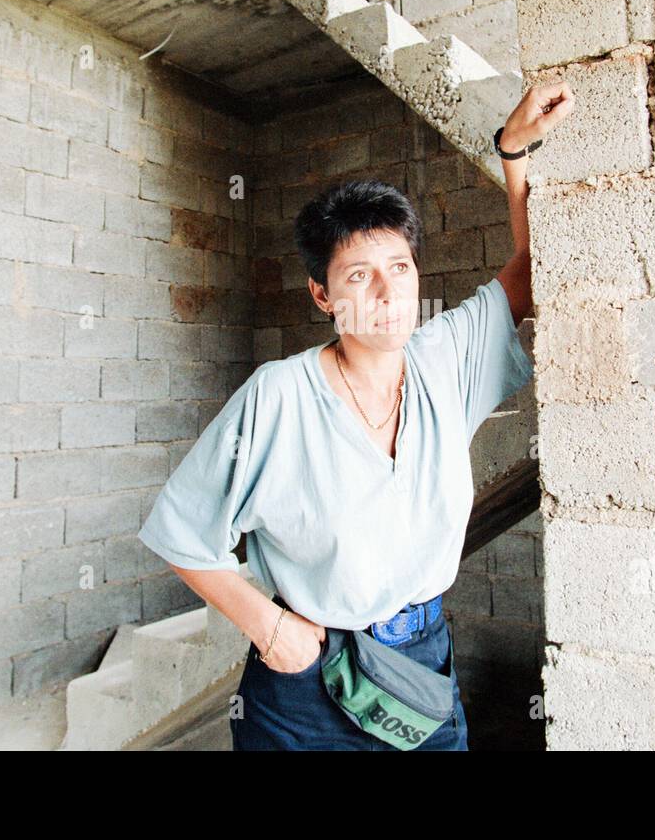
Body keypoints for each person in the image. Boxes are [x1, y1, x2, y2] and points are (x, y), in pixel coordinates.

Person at [137, 83, 575, 749]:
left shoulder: (445, 359)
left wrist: (514, 150)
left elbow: (533, 268)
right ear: (322, 294)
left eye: (400, 266)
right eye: (358, 275)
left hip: (421, 660)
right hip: (305, 686)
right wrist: (268, 626)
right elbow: (179, 531)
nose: (387, 290)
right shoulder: (278, 396)